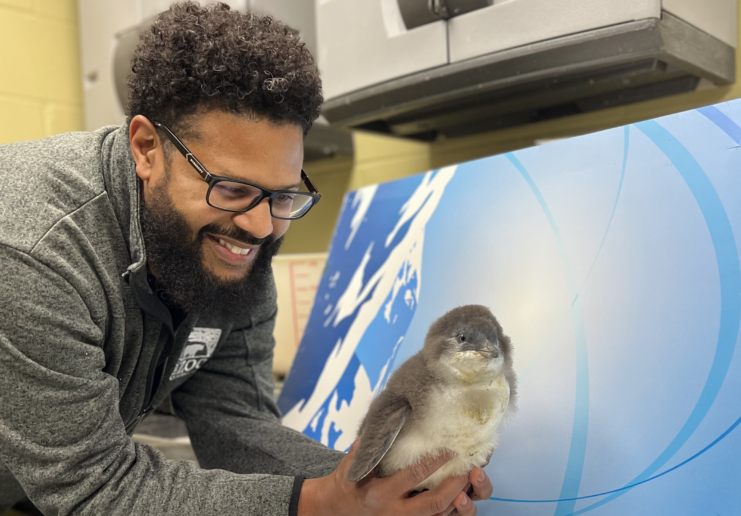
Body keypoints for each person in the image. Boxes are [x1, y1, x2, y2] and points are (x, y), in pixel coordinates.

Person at [0, 3, 494, 515]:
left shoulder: (227, 252)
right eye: (231, 188)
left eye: (283, 196)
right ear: (146, 148)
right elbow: (96, 489)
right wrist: (321, 502)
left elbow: (235, 422)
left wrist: (381, 478)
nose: (260, 228)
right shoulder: (34, 251)